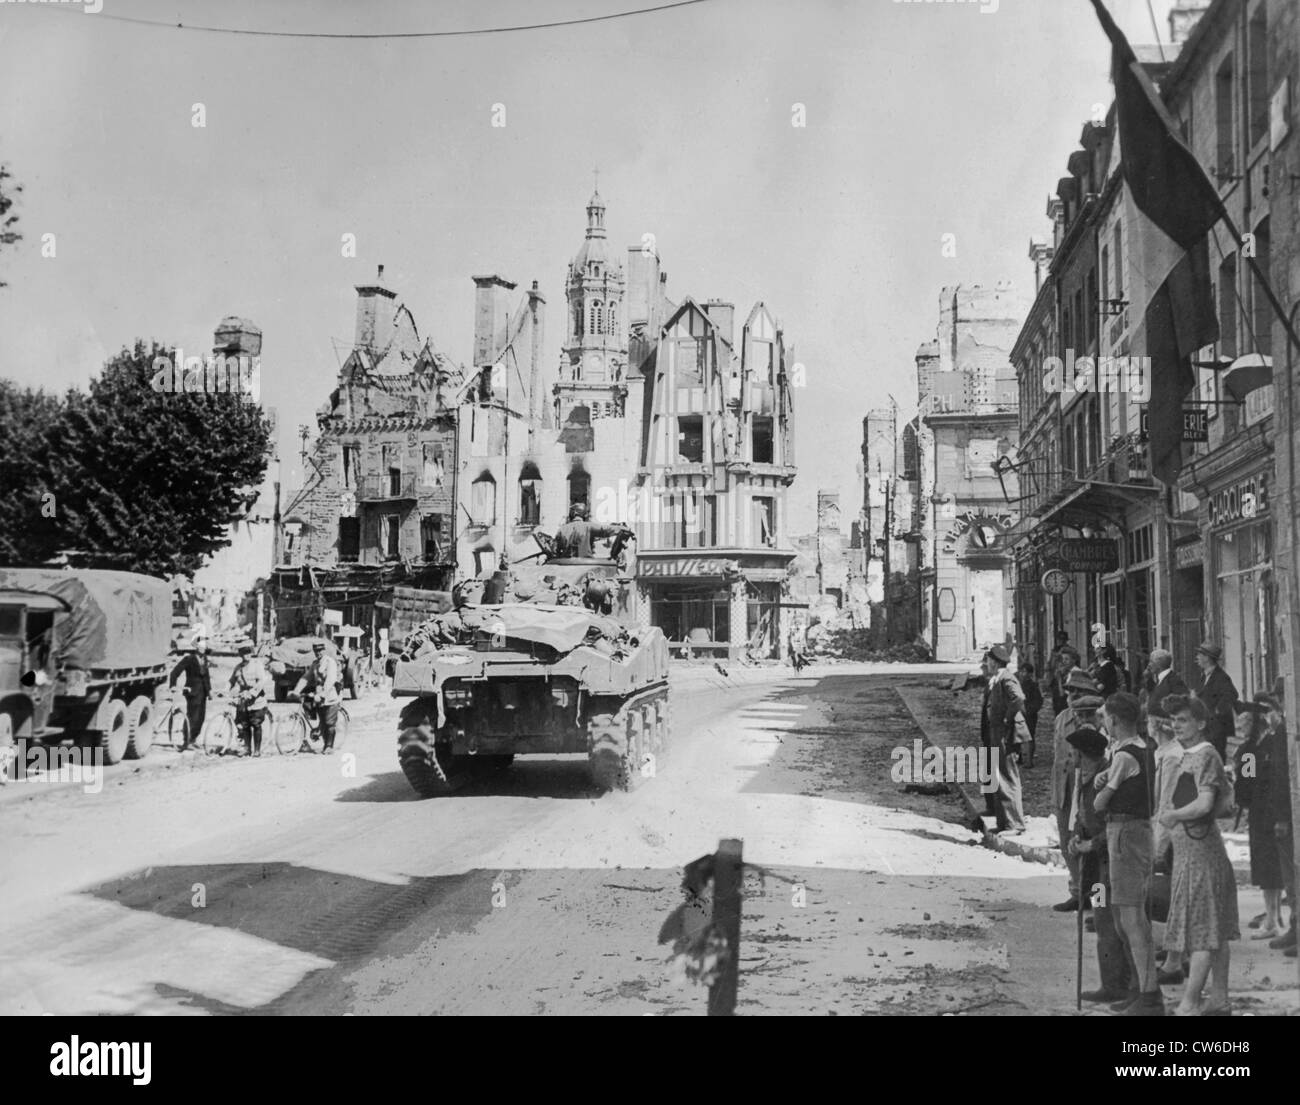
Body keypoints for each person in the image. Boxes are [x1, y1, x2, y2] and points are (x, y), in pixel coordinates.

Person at [1159, 694, 1240, 1017]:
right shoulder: (1187, 754)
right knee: (1213, 932)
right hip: (1190, 853)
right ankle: (1219, 1001)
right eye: (1174, 721)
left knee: (1203, 933)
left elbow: (1206, 805)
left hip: (1202, 853)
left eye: (1184, 720)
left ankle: (1190, 1003)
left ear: (1201, 724)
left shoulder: (1205, 755)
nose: (1177, 726)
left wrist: (1174, 816)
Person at [1094, 692, 1161, 1016]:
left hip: (1126, 833)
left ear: (1116, 720)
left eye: (1106, 716)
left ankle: (1149, 998)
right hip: (1133, 832)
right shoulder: (1141, 748)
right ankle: (1139, 990)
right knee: (1125, 920)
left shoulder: (1124, 756)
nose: (1104, 721)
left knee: (1132, 919)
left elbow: (1099, 803)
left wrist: (1102, 788)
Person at [1068, 725, 1134, 1003]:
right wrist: (1076, 837)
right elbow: (1083, 817)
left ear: (1085, 756)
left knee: (1110, 924)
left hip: (1110, 862)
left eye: (1075, 754)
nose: (1071, 759)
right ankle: (1111, 982)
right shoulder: (1086, 777)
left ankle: (1121, 985)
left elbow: (1112, 825)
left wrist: (1089, 844)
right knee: (1102, 921)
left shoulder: (1106, 780)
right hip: (1096, 865)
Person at [1051, 669, 1104, 911]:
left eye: (1077, 691)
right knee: (1067, 842)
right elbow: (1058, 757)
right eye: (1069, 690)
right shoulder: (1062, 718)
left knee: (1094, 849)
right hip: (1065, 788)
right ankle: (1079, 893)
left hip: (1090, 788)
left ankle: (1099, 903)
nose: (1071, 695)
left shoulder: (1098, 718)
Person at [1253, 694, 1296, 954]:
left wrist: (1280, 815)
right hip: (1262, 810)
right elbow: (1251, 773)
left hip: (1274, 811)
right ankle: (1280, 919)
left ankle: (1278, 919)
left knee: (1282, 871)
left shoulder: (1279, 735)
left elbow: (1278, 775)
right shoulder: (1259, 741)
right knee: (1274, 870)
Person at [978, 644, 1029, 834]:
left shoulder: (1007, 678)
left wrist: (1007, 718)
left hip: (1006, 735)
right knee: (998, 777)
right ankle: (1004, 822)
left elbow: (1019, 698)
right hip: (996, 734)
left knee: (1008, 778)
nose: (987, 664)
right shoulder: (996, 679)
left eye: (989, 661)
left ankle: (1015, 824)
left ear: (995, 662)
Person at [1191, 642, 1237, 762]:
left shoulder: (1221, 677)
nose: (1197, 657)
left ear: (1207, 658)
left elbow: (1232, 695)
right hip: (1206, 727)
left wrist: (1216, 713)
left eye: (1199, 655)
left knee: (1216, 759)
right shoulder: (1204, 677)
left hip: (1217, 729)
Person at [294, 641, 342, 754]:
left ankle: (329, 746)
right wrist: (296, 690)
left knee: (329, 722)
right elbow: (306, 677)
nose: (318, 653)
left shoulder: (330, 662)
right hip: (319, 697)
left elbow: (330, 680)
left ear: (324, 650)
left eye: (320, 650)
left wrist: (322, 694)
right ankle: (319, 741)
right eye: (316, 651)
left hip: (330, 696)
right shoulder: (315, 664)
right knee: (322, 721)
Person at [169, 637, 211, 752]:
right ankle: (186, 741)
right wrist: (173, 685)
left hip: (203, 693)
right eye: (201, 646)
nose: (203, 648)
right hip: (192, 692)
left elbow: (206, 676)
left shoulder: (205, 659)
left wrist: (209, 691)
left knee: (201, 718)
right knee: (192, 717)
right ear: (196, 647)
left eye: (204, 645)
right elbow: (175, 672)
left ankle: (193, 739)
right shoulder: (189, 659)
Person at [229, 643, 270, 757]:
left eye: (248, 653)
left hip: (257, 699)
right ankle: (247, 748)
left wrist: (252, 693)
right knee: (245, 724)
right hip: (244, 701)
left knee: (256, 724)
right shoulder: (238, 667)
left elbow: (261, 681)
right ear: (240, 654)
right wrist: (224, 690)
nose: (246, 655)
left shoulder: (257, 665)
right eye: (243, 653)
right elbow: (231, 681)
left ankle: (257, 750)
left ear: (251, 653)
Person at [553, 503, 630, 560]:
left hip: (566, 565)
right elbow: (605, 530)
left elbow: (555, 550)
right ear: (583, 515)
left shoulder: (562, 529)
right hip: (585, 565)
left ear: (572, 514)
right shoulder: (588, 526)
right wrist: (622, 528)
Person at [1143, 648, 1188, 728]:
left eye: (1151, 662)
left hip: (1166, 726)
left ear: (1158, 664)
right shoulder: (1160, 679)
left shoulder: (1173, 680)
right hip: (1156, 724)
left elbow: (1182, 702)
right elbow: (1153, 694)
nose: (1149, 665)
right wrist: (1148, 678)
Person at [1018, 660, 1043, 767]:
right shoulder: (1017, 685)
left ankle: (1029, 760)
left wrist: (1030, 710)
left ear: (1030, 674)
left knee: (1029, 737)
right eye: (1022, 671)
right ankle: (1019, 757)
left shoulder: (1033, 686)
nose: (1023, 674)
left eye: (1026, 672)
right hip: (1018, 714)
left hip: (1029, 715)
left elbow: (1038, 701)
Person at [1047, 632, 1074, 714]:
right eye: (1059, 639)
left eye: (1062, 640)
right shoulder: (1054, 651)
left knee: (1064, 702)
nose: (1060, 641)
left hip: (1066, 678)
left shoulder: (1070, 651)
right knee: (1056, 703)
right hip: (1055, 679)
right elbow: (1050, 665)